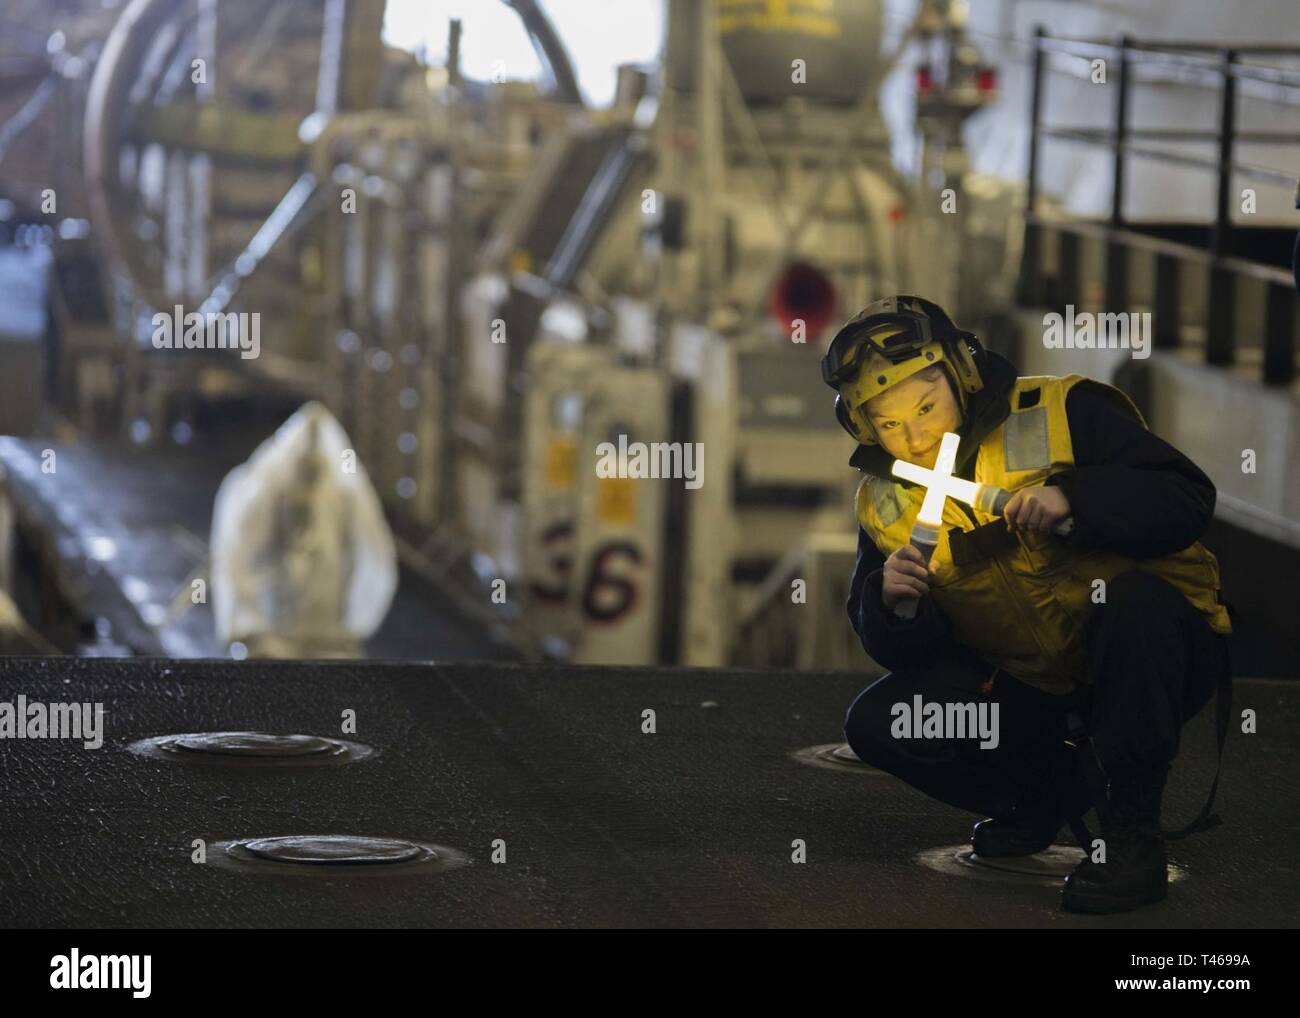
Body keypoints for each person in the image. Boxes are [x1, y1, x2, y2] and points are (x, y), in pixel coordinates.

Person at [823, 294, 1233, 914]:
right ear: (861, 426)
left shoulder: (1064, 412)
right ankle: (1043, 798)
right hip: (1037, 688)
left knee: (1135, 603)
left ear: (960, 373)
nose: (915, 436)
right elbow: (901, 649)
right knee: (880, 723)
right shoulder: (885, 502)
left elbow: (1187, 496)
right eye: (887, 424)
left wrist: (1075, 499)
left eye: (926, 406)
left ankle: (1132, 837)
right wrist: (893, 605)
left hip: (1161, 655)